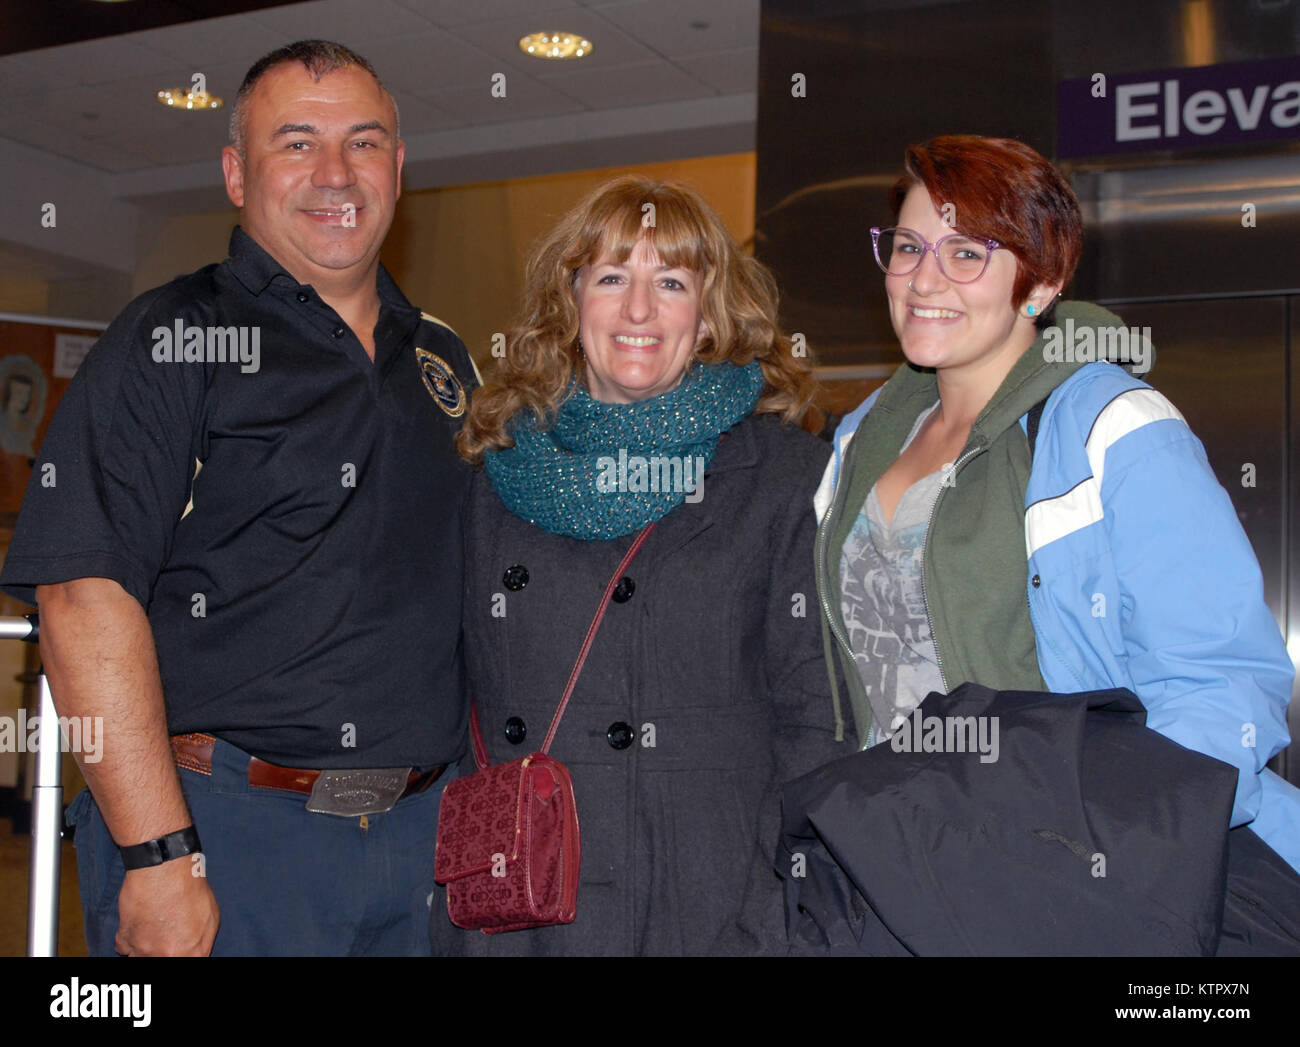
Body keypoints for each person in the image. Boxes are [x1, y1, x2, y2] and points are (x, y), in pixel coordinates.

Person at [0, 40, 478, 956]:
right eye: (296, 143)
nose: (335, 172)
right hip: (232, 834)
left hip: (424, 839)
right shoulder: (174, 337)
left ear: (398, 167)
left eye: (364, 142)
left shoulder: (442, 359)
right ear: (235, 172)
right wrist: (159, 854)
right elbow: (78, 596)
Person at [814, 134, 1300, 879]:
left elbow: (1223, 684)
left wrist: (1099, 845)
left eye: (966, 252)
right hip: (906, 863)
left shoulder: (1113, 426)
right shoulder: (861, 440)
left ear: (1038, 283)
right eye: (908, 247)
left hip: (1074, 868)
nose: (923, 278)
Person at [434, 175, 852, 955]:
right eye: (612, 277)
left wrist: (768, 925)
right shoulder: (496, 474)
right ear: (571, 301)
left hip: (702, 905)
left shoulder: (784, 478)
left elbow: (816, 730)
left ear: (708, 315)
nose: (637, 310)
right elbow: (457, 708)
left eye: (671, 282)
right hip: (519, 911)